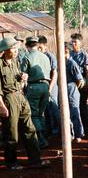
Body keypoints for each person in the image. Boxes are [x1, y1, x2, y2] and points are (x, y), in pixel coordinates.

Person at [0, 37, 50, 170]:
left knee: (30, 128)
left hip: (21, 96)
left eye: (17, 48)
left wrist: (23, 77)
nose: (16, 51)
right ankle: (11, 163)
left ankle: (35, 159)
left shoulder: (15, 62)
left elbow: (18, 79)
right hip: (9, 99)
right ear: (5, 50)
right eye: (13, 48)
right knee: (11, 133)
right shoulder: (0, 64)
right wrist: (2, 106)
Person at [21, 37, 51, 149]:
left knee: (33, 114)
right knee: (41, 114)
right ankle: (44, 136)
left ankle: (41, 139)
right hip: (46, 86)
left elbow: (23, 75)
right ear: (37, 44)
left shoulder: (27, 56)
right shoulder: (45, 56)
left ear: (27, 46)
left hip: (34, 86)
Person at [38, 35, 60, 137]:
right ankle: (49, 130)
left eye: (40, 47)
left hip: (51, 86)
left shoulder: (50, 56)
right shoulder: (37, 56)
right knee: (45, 110)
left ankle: (58, 129)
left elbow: (54, 73)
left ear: (45, 46)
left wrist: (50, 88)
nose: (39, 49)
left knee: (53, 108)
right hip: (42, 87)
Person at [64, 43, 85, 143]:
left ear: (66, 52)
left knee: (75, 112)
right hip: (65, 90)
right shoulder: (63, 63)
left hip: (72, 89)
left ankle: (78, 134)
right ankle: (70, 134)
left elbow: (80, 80)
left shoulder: (72, 63)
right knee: (66, 113)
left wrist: (74, 89)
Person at [70, 33, 88, 131]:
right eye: (72, 41)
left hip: (82, 82)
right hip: (72, 82)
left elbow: (87, 70)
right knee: (73, 104)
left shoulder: (84, 55)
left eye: (75, 42)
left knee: (82, 104)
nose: (73, 43)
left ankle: (85, 125)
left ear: (80, 43)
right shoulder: (70, 54)